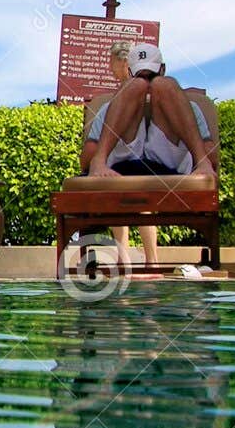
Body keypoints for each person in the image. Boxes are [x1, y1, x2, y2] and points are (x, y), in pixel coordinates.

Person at [86, 43, 216, 181]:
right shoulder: (108, 109)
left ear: (163, 69)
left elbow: (212, 154)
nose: (148, 84)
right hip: (123, 164)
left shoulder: (191, 108)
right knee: (134, 87)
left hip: (169, 164)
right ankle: (99, 161)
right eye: (141, 76)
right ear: (129, 72)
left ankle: (201, 161)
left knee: (164, 85)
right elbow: (85, 159)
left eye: (152, 76)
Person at [81, 41, 160, 267]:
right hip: (128, 169)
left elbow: (90, 149)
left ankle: (136, 259)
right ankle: (143, 259)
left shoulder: (113, 104)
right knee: (132, 195)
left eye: (111, 61)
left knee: (137, 196)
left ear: (124, 62)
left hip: (132, 170)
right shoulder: (113, 103)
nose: (109, 66)